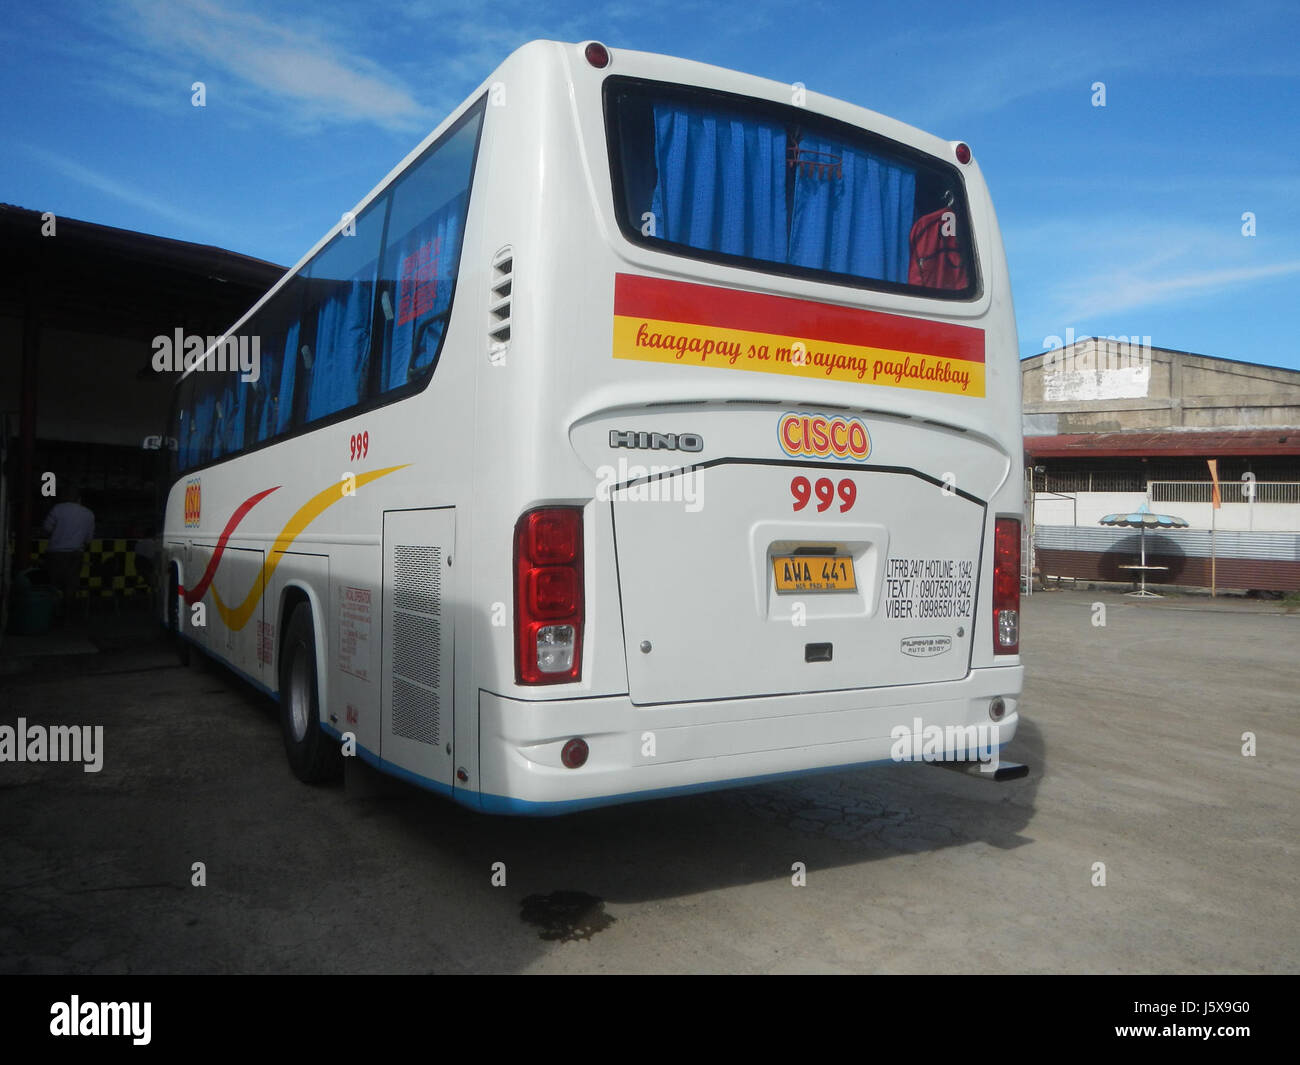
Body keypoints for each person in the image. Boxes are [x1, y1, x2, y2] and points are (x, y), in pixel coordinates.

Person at [42, 486, 95, 623]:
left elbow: (47, 529)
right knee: (71, 585)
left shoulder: (58, 509)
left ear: (65, 497)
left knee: (52, 583)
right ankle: (67, 616)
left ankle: (50, 614)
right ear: (79, 499)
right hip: (76, 554)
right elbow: (89, 539)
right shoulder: (89, 513)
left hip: (56, 553)